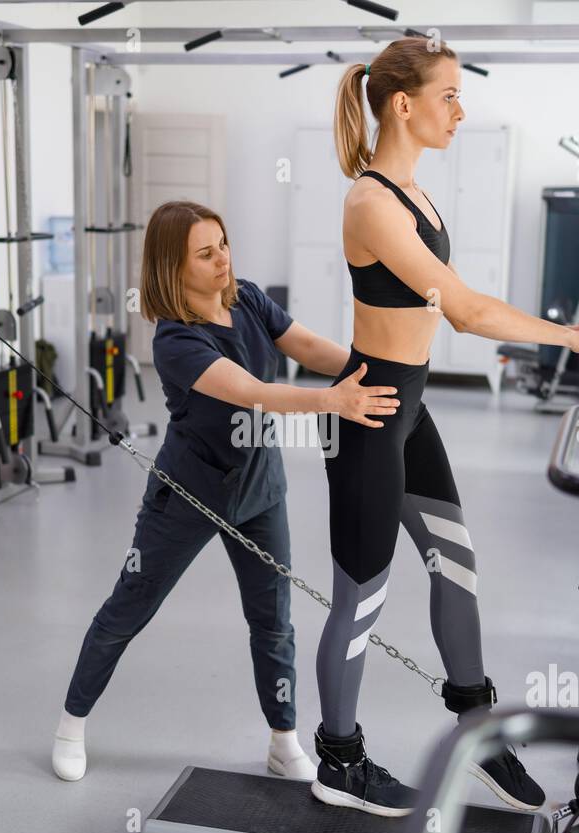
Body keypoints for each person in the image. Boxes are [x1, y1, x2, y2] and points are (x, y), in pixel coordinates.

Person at [310, 39, 579, 816]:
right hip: (371, 412)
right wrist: (571, 339)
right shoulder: (370, 203)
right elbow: (466, 309)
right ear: (402, 104)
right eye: (448, 95)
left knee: (457, 566)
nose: (460, 109)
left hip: (409, 408)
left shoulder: (417, 197)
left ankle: (477, 729)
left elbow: (455, 301)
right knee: (362, 595)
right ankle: (339, 762)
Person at [53, 199, 401, 783]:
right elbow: (247, 391)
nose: (222, 260)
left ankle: (283, 738)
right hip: (189, 492)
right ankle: (71, 724)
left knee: (273, 619)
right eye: (205, 252)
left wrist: (377, 374)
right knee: (128, 608)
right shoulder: (175, 341)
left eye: (224, 244)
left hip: (260, 489)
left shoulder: (250, 298)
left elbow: (308, 346)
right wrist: (331, 401)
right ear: (172, 265)